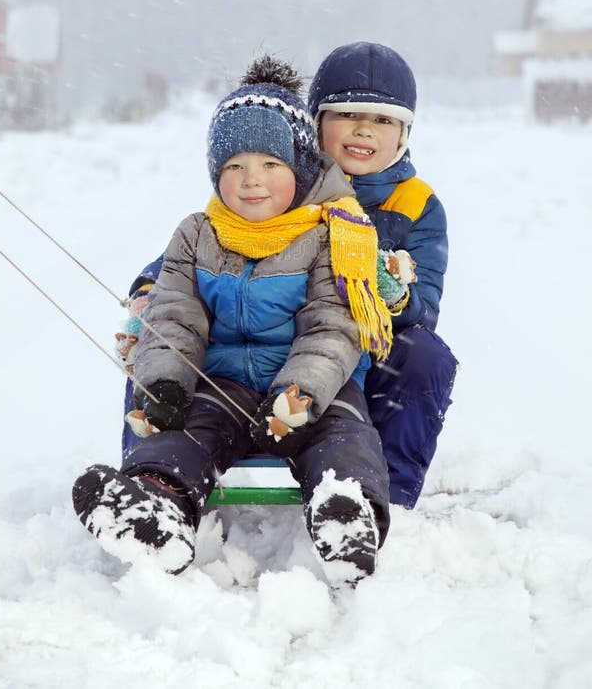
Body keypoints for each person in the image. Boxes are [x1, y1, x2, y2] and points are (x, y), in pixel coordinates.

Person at [73, 55, 392, 586]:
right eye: (234, 166)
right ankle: (158, 510)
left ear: (301, 169)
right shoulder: (197, 234)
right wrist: (166, 383)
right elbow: (173, 315)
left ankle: (346, 514)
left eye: (271, 165)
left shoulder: (326, 235)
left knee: (343, 436)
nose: (252, 181)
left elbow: (332, 326)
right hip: (221, 384)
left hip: (311, 391)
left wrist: (301, 394)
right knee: (186, 433)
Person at [307, 41, 458, 508]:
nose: (364, 131)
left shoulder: (416, 205)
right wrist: (150, 288)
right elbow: (210, 242)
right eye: (348, 115)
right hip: (289, 348)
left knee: (425, 355)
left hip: (370, 361)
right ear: (317, 122)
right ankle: (165, 480)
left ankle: (389, 498)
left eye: (383, 120)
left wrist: (394, 296)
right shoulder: (283, 182)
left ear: (403, 133)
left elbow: (424, 308)